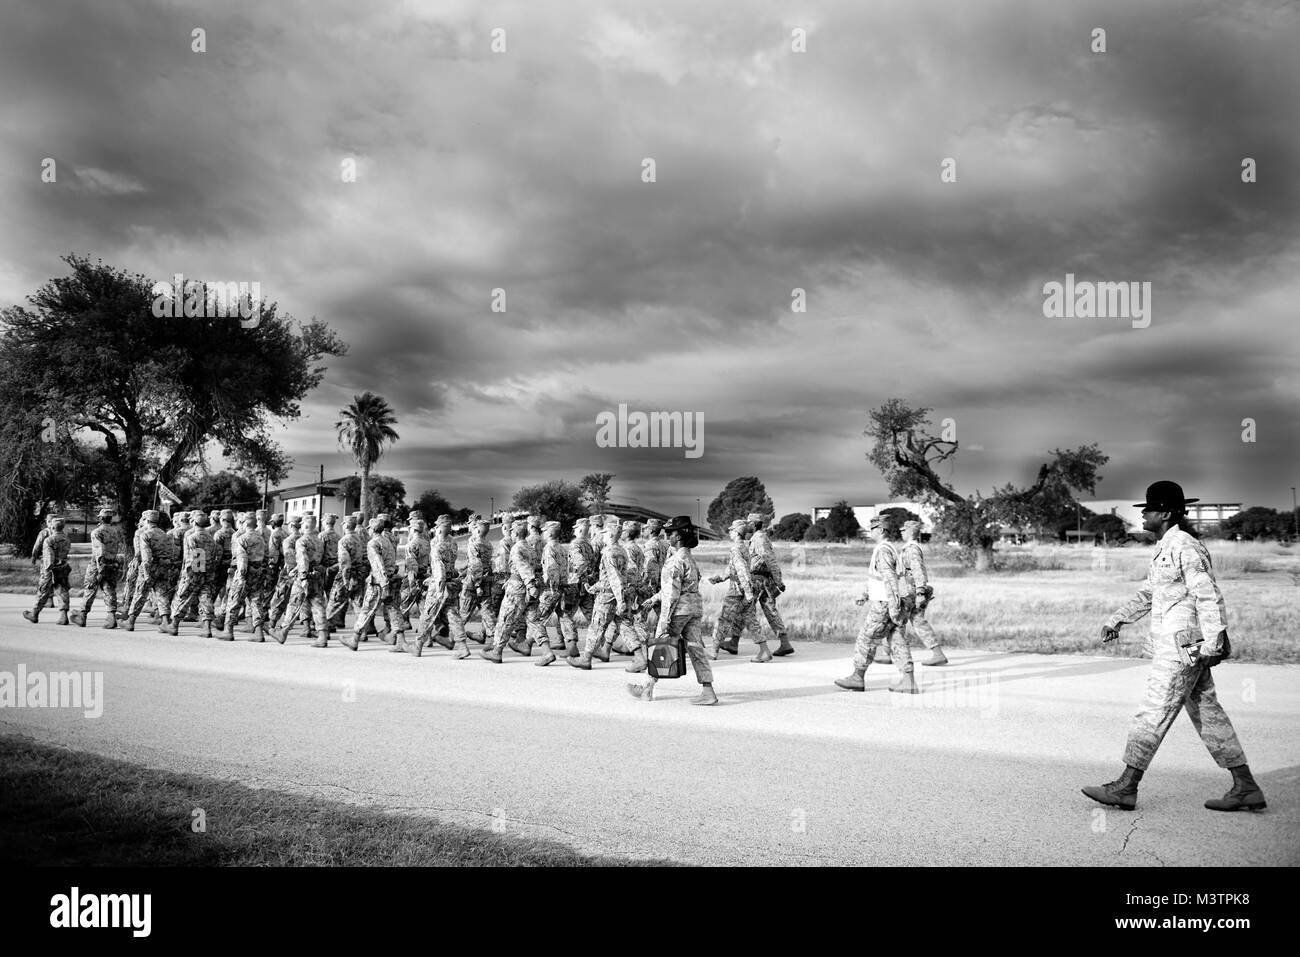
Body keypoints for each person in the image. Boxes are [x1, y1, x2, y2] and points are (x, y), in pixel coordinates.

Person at [1082, 481, 1266, 812]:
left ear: (1164, 513)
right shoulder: (1166, 547)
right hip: (1181, 646)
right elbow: (1149, 593)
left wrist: (1214, 641)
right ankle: (1245, 786)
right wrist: (1118, 619)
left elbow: (1208, 595)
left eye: (1148, 510)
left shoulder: (1185, 547)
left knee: (1154, 710)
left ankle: (1126, 786)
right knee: (1207, 712)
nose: (1143, 515)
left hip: (1183, 648)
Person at [627, 516, 717, 705]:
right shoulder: (689, 559)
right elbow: (680, 588)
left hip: (677, 611)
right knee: (696, 649)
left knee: (657, 646)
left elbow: (671, 594)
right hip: (693, 609)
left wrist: (665, 620)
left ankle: (647, 688)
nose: (667, 536)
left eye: (670, 532)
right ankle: (708, 691)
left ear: (679, 535)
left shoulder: (674, 561)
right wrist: (653, 599)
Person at [834, 515, 918, 694]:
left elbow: (889, 580)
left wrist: (893, 607)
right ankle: (908, 679)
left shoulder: (883, 550)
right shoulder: (888, 549)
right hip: (890, 602)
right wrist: (865, 594)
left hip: (884, 603)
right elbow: (879, 577)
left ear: (880, 530)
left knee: (866, 638)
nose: (870, 531)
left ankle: (857, 677)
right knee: (897, 640)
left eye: (872, 528)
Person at [411, 515, 470, 658]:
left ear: (439, 528)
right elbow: (449, 566)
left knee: (428, 615)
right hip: (451, 583)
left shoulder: (436, 546)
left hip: (440, 585)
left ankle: (418, 645)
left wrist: (438, 586)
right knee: (452, 614)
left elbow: (439, 569)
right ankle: (462, 645)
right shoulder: (453, 543)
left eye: (437, 526)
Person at [709, 519, 764, 661]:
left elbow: (742, 570)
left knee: (724, 619)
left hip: (737, 589)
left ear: (736, 532)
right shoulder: (744, 547)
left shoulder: (735, 548)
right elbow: (733, 568)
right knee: (750, 619)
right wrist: (720, 578)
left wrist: (748, 592)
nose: (730, 532)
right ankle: (764, 650)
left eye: (731, 530)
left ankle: (713, 651)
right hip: (744, 587)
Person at [899, 520, 948, 666]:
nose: (901, 532)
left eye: (903, 530)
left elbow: (917, 570)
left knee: (896, 620)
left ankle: (890, 653)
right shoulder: (910, 547)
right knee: (918, 621)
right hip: (914, 589)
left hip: (912, 590)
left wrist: (920, 592)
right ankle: (937, 653)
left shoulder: (911, 549)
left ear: (909, 532)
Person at [746, 512, 795, 657]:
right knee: (770, 609)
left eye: (748, 522)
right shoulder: (759, 537)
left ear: (754, 524)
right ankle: (784, 642)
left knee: (745, 609)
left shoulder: (759, 538)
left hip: (758, 580)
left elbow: (770, 560)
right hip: (764, 580)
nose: (747, 525)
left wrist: (779, 581)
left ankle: (735, 641)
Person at [72, 509, 124, 629]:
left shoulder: (96, 532)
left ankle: (82, 615)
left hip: (98, 565)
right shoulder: (115, 532)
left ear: (100, 518)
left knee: (90, 588)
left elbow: (99, 552)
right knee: (109, 589)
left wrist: (101, 569)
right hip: (112, 563)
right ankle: (111, 616)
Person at [223, 513, 268, 642]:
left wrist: (241, 576)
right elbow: (266, 557)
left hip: (245, 573)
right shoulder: (261, 538)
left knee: (234, 600)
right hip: (258, 572)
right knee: (256, 601)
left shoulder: (242, 539)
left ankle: (228, 630)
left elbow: (242, 560)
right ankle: (259, 632)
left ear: (245, 524)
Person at [23, 516, 71, 625]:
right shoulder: (67, 539)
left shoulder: (48, 540)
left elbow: (49, 557)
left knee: (43, 590)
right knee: (62, 590)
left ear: (53, 526)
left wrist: (49, 569)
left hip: (50, 569)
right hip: (63, 567)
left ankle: (34, 613)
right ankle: (64, 616)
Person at [458, 515, 493, 645]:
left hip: (474, 580)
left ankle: (453, 637)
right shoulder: (488, 543)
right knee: (486, 609)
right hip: (486, 578)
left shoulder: (474, 542)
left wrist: (477, 583)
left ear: (476, 528)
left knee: (464, 611)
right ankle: (491, 635)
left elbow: (475, 564)